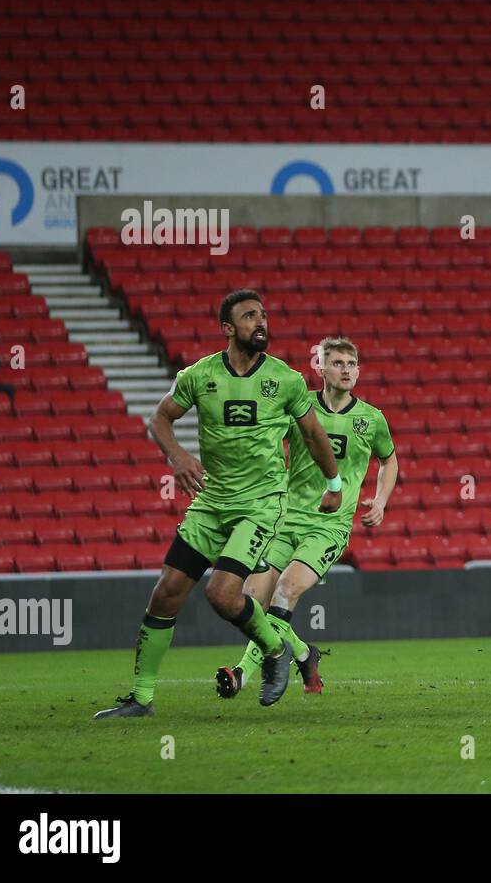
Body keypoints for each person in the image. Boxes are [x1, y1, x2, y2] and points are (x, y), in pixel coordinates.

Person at [93, 290, 341, 718]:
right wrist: (179, 456)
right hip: (211, 501)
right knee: (165, 595)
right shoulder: (198, 375)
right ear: (228, 329)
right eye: (249, 316)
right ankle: (141, 698)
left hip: (261, 503)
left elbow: (315, 435)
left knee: (222, 594)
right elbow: (160, 418)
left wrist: (334, 483)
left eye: (263, 314)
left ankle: (272, 648)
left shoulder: (285, 379)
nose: (259, 322)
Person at [216, 336, 398, 698]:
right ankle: (302, 652)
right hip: (285, 521)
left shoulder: (371, 419)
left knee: (287, 589)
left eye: (351, 364)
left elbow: (389, 459)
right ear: (321, 369)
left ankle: (242, 673)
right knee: (251, 601)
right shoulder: (300, 410)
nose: (346, 370)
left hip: (328, 527)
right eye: (338, 363)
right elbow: (266, 444)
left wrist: (380, 500)